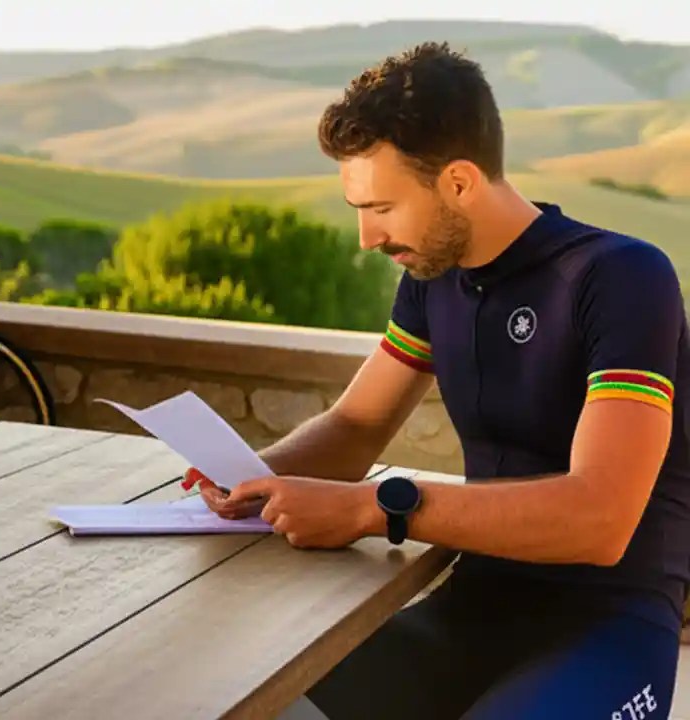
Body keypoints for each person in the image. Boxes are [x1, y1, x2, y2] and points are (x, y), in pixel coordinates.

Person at [189, 41, 690, 719]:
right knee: (260, 705)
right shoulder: (432, 280)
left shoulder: (623, 278)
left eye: (383, 208)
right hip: (476, 607)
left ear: (458, 182)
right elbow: (355, 425)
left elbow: (600, 519)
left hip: (610, 625)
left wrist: (378, 506)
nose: (367, 238)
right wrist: (251, 480)